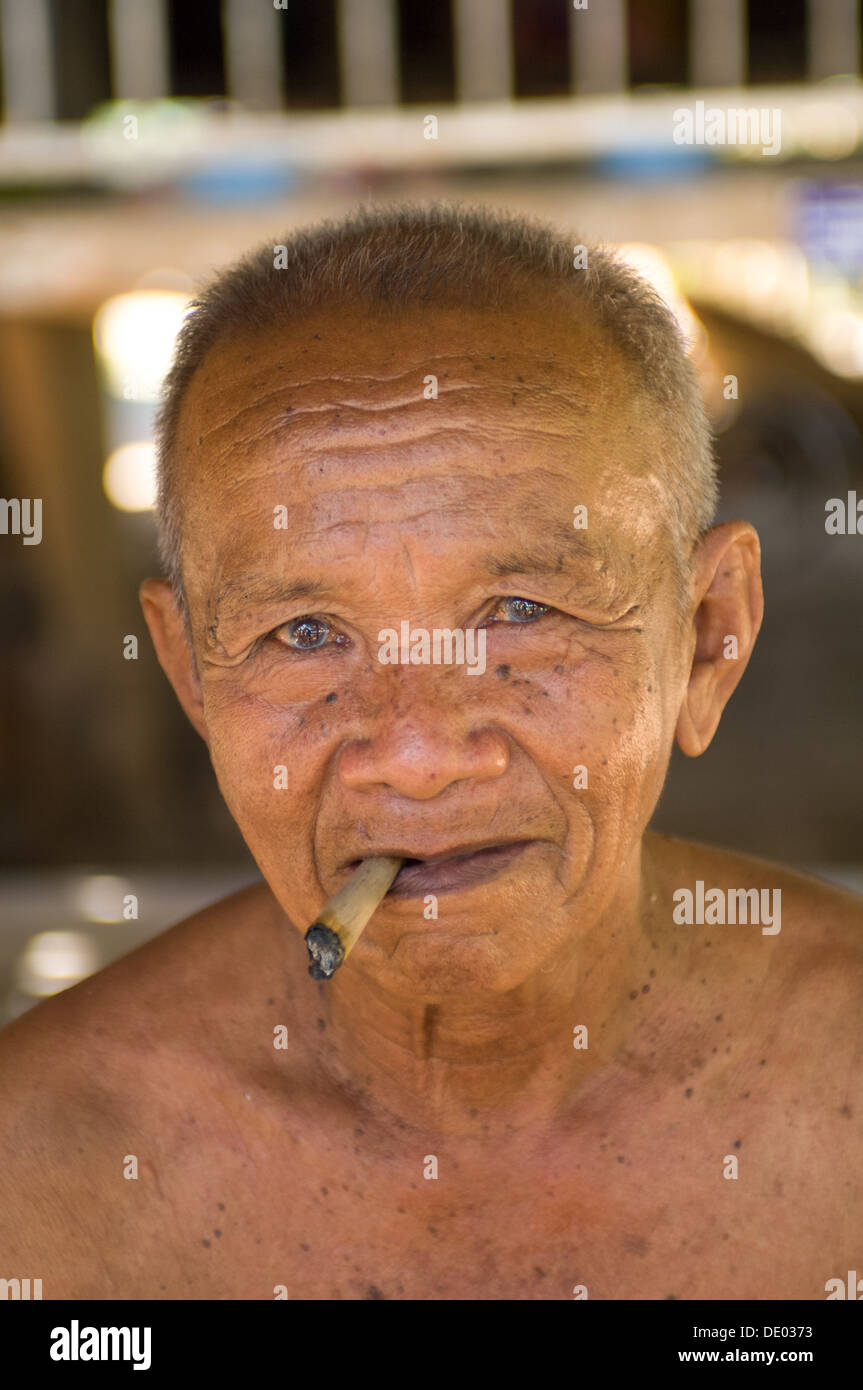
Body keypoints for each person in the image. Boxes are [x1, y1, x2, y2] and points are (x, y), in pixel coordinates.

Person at [1, 204, 860, 1300]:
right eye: (303, 635)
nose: (414, 754)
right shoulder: (43, 1180)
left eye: (519, 608)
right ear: (191, 677)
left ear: (705, 639)